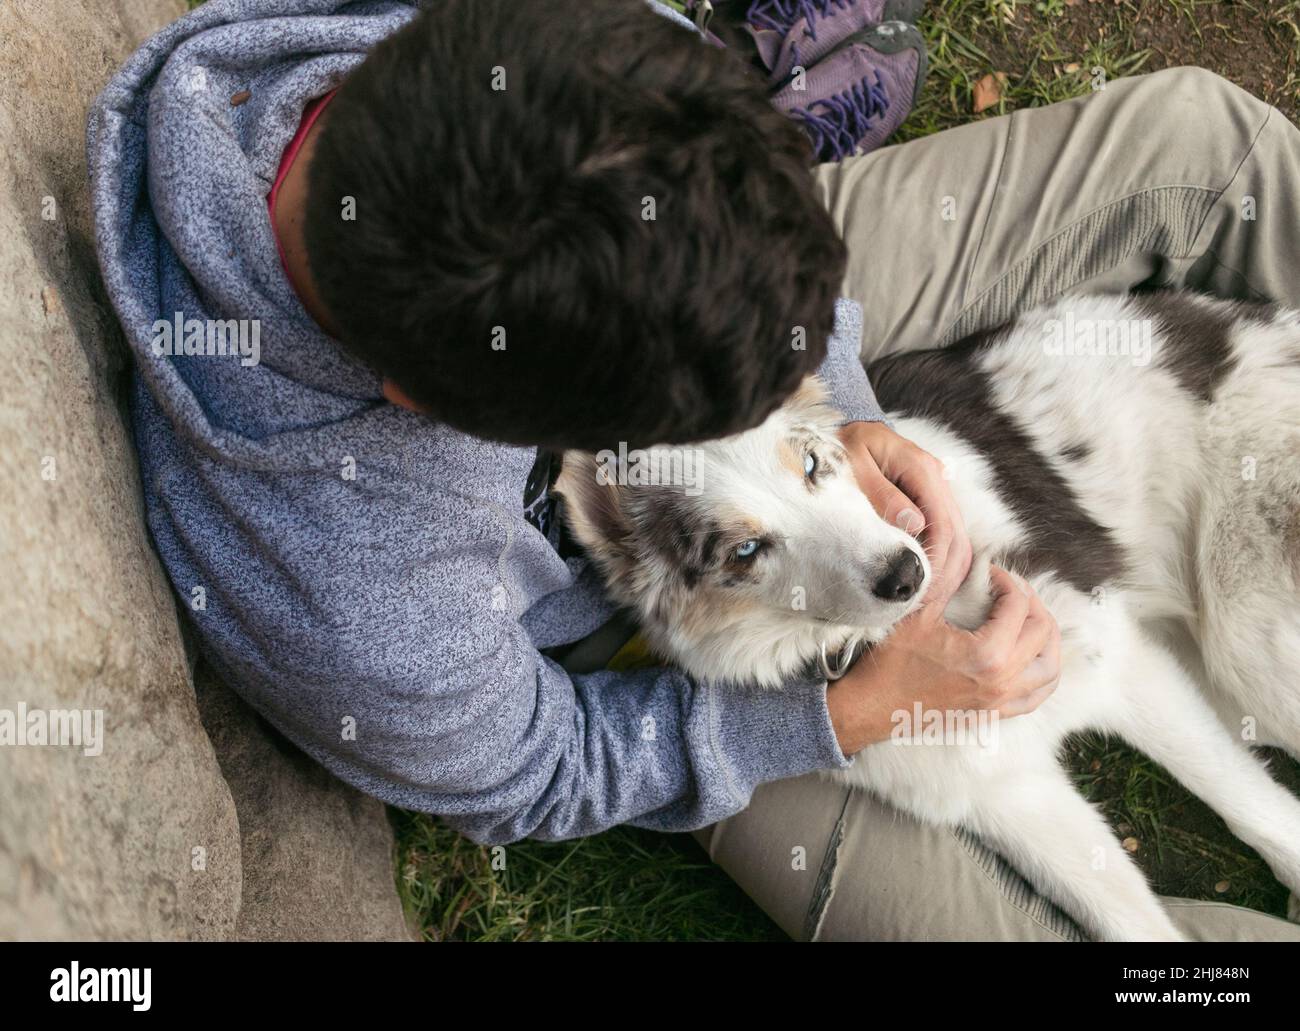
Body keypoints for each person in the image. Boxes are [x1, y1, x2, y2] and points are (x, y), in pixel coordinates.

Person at [88, 0, 1299, 939]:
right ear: (467, 423)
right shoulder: (356, 597)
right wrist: (835, 710)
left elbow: (662, 54)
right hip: (679, 631)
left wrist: (840, 411)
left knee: (1199, 140)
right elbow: (537, 772)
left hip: (652, 291)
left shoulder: (510, 54)